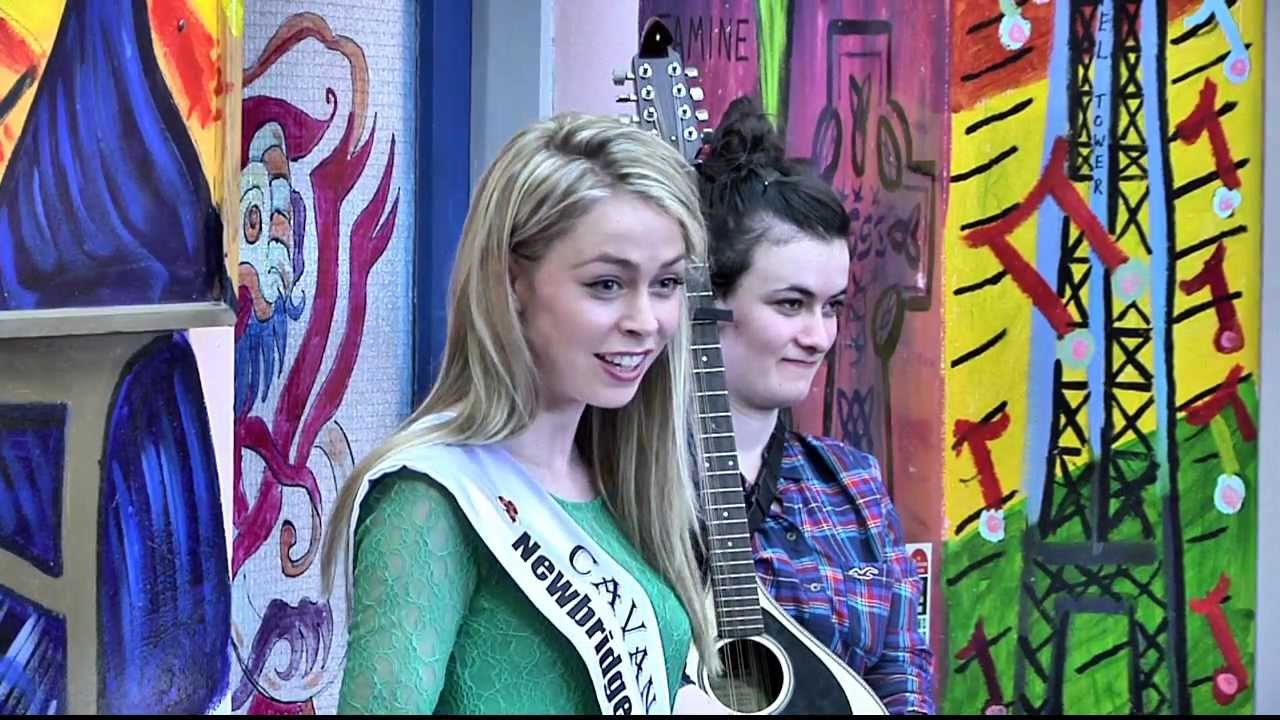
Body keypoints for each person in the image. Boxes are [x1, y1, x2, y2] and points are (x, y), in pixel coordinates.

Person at [319, 113, 727, 715]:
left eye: (666, 284)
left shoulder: (628, 487)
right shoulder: (431, 499)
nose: (646, 320)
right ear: (514, 282)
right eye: (607, 285)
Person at [695, 96, 935, 714]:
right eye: (790, 304)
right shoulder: (628, 481)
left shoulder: (851, 485)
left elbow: (902, 666)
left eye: (831, 306)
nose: (820, 335)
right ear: (705, 299)